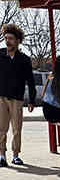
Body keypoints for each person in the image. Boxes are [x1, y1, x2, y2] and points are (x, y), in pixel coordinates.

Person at [0, 23, 36, 167]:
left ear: (18, 40)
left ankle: (16, 155)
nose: (7, 41)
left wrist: (32, 100)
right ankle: (1, 155)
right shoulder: (0, 55)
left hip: (17, 99)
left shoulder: (24, 59)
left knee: (17, 128)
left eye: (11, 38)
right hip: (1, 97)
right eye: (6, 38)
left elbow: (31, 81)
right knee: (1, 128)